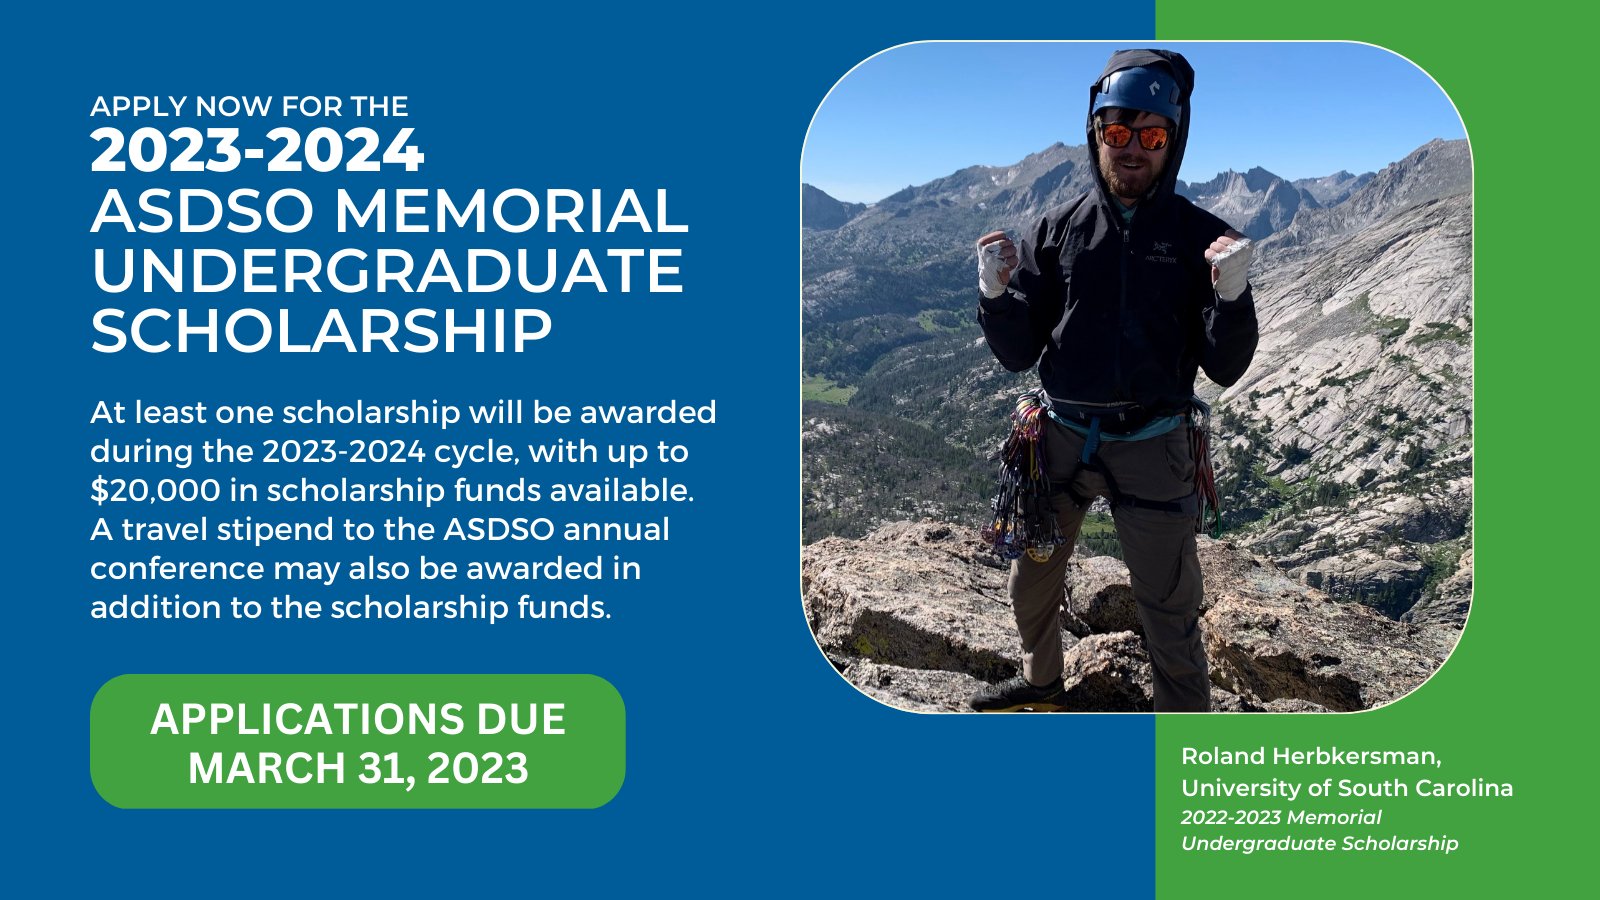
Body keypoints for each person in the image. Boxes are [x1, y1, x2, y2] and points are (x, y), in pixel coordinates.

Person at [969, 49, 1258, 713]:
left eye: (1151, 136)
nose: (1132, 149)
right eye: (1118, 131)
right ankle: (1042, 683)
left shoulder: (1201, 239)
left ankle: (1182, 733)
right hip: (1060, 436)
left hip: (1154, 443)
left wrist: (1233, 297)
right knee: (1031, 586)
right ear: (1096, 132)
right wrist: (995, 296)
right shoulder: (1057, 230)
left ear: (1173, 142)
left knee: (1169, 608)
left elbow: (1226, 366)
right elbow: (1019, 352)